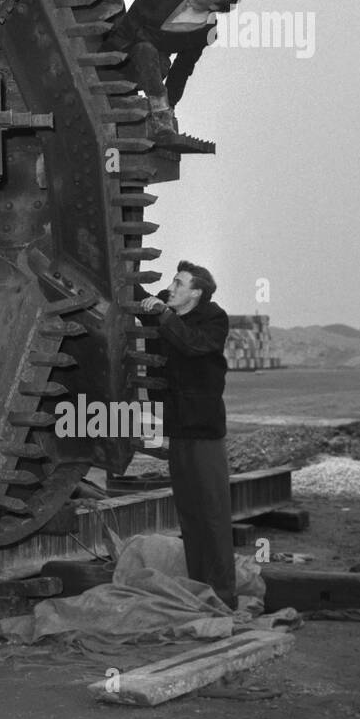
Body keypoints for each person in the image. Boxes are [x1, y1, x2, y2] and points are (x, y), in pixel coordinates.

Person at [133, 261, 236, 610]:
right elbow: (147, 306)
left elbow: (190, 344)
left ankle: (223, 598)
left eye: (179, 284)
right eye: (172, 283)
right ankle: (199, 590)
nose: (171, 288)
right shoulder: (167, 310)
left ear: (197, 292)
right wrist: (127, 280)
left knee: (213, 517)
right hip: (178, 429)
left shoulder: (213, 319)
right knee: (190, 516)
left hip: (205, 432)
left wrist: (162, 313)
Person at [103, 0, 240, 146]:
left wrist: (171, 104)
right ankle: (159, 110)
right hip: (118, 42)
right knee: (140, 43)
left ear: (214, 5)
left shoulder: (205, 32)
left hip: (142, 66)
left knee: (147, 50)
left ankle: (160, 115)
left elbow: (182, 69)